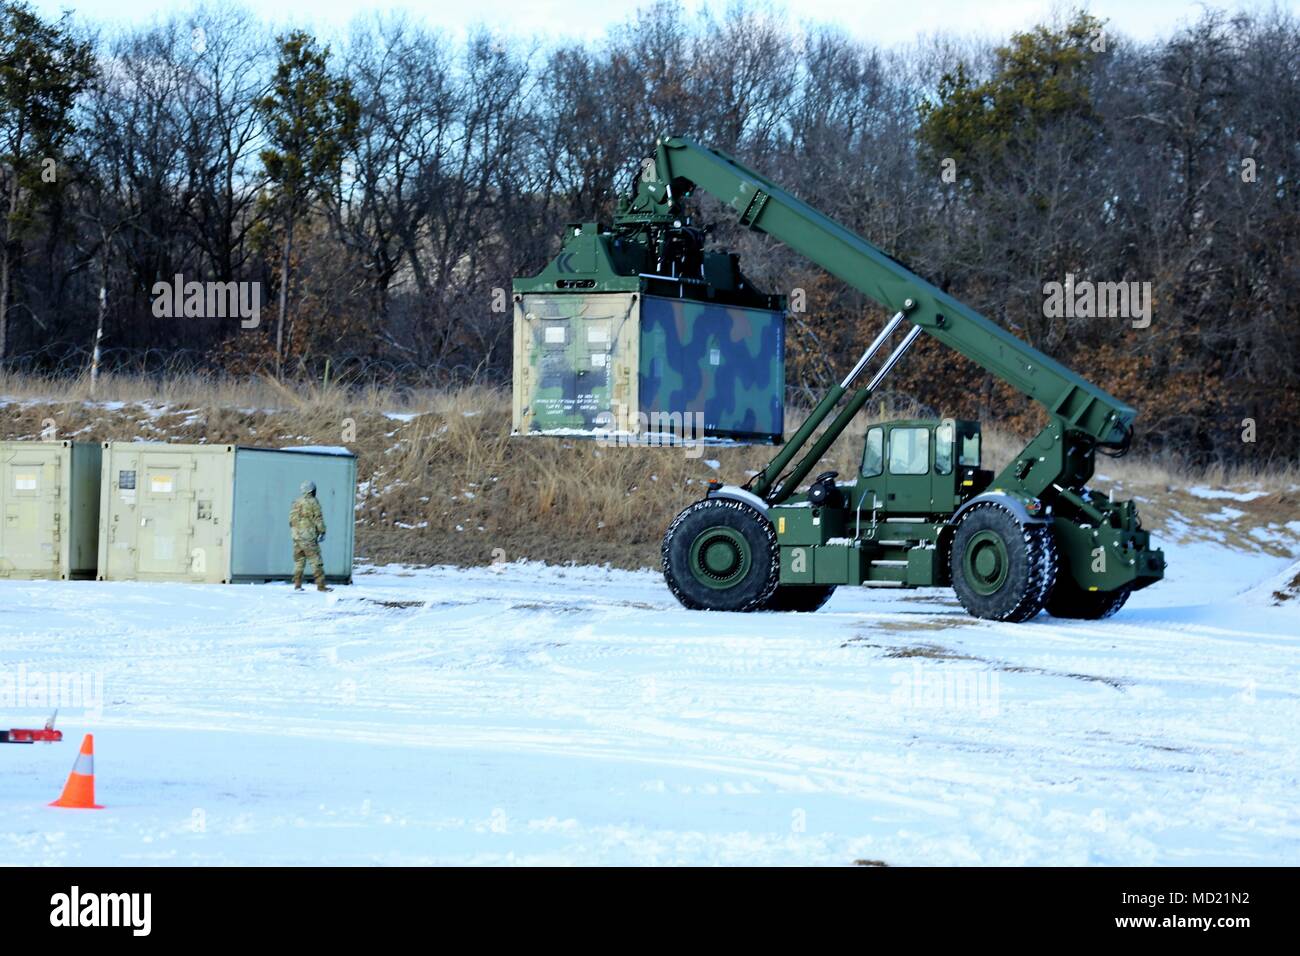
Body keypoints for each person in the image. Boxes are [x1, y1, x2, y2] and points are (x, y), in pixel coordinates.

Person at [289, 480, 330, 592]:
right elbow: (318, 518)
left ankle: (297, 585)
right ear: (312, 490)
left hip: (296, 537)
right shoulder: (313, 502)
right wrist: (322, 531)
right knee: (316, 561)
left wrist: (295, 533)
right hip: (308, 537)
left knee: (299, 562)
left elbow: (291, 520)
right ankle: (321, 586)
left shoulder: (296, 502)